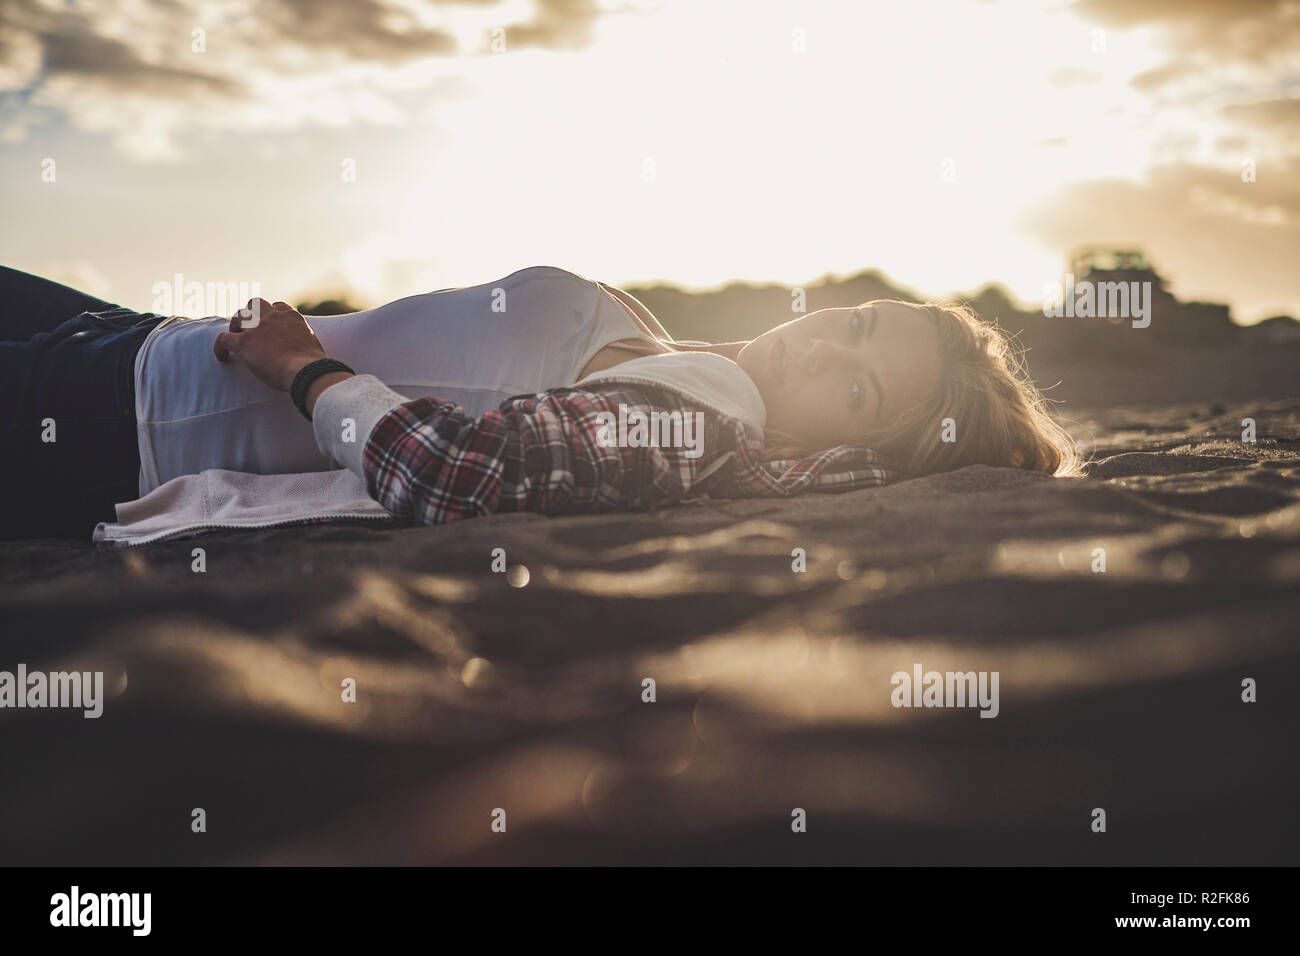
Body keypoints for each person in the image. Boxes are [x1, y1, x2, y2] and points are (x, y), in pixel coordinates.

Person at [0, 264, 1077, 539]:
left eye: (855, 384)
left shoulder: (705, 412)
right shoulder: (683, 357)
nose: (815, 348)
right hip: (147, 342)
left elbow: (469, 472)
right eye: (853, 322)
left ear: (864, 442)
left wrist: (303, 368)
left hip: (126, 418)